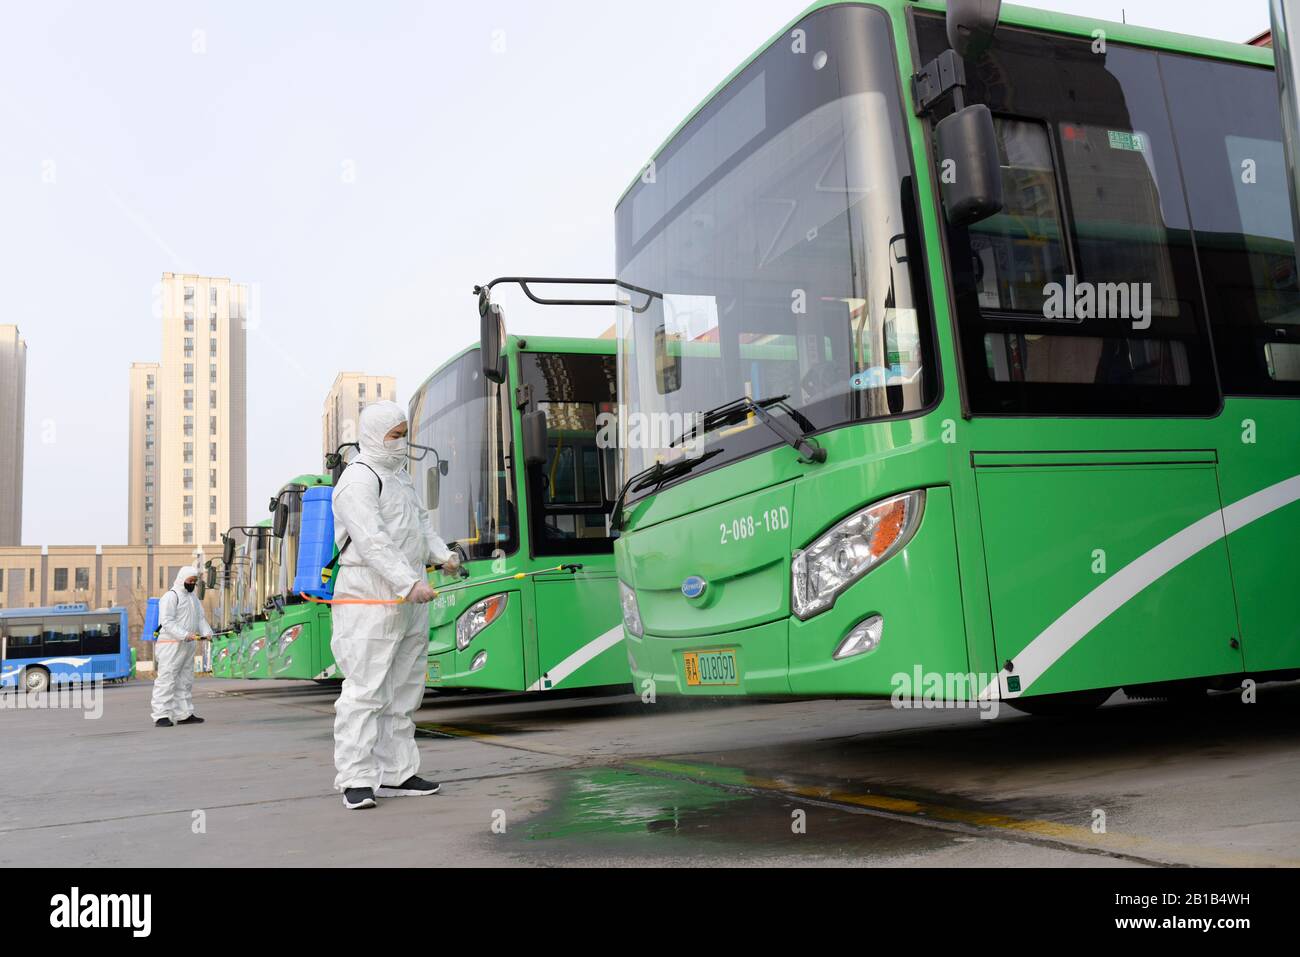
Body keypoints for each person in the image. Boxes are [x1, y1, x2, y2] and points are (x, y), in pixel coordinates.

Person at [330, 400, 461, 810]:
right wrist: (407, 583)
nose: (403, 443)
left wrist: (443, 556)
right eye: (396, 435)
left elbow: (421, 524)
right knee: (366, 689)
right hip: (369, 596)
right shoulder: (358, 480)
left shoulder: (400, 477)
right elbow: (371, 541)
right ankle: (356, 778)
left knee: (404, 690)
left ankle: (396, 773)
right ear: (373, 435)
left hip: (410, 595)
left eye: (405, 434)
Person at [151, 566, 212, 727]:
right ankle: (161, 715)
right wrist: (184, 634)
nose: (192, 584)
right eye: (190, 581)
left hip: (188, 644)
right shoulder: (170, 597)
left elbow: (200, 619)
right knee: (167, 678)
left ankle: (184, 714)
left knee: (185, 680)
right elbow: (167, 622)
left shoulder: (193, 599)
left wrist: (207, 632)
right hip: (171, 645)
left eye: (194, 581)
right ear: (181, 579)